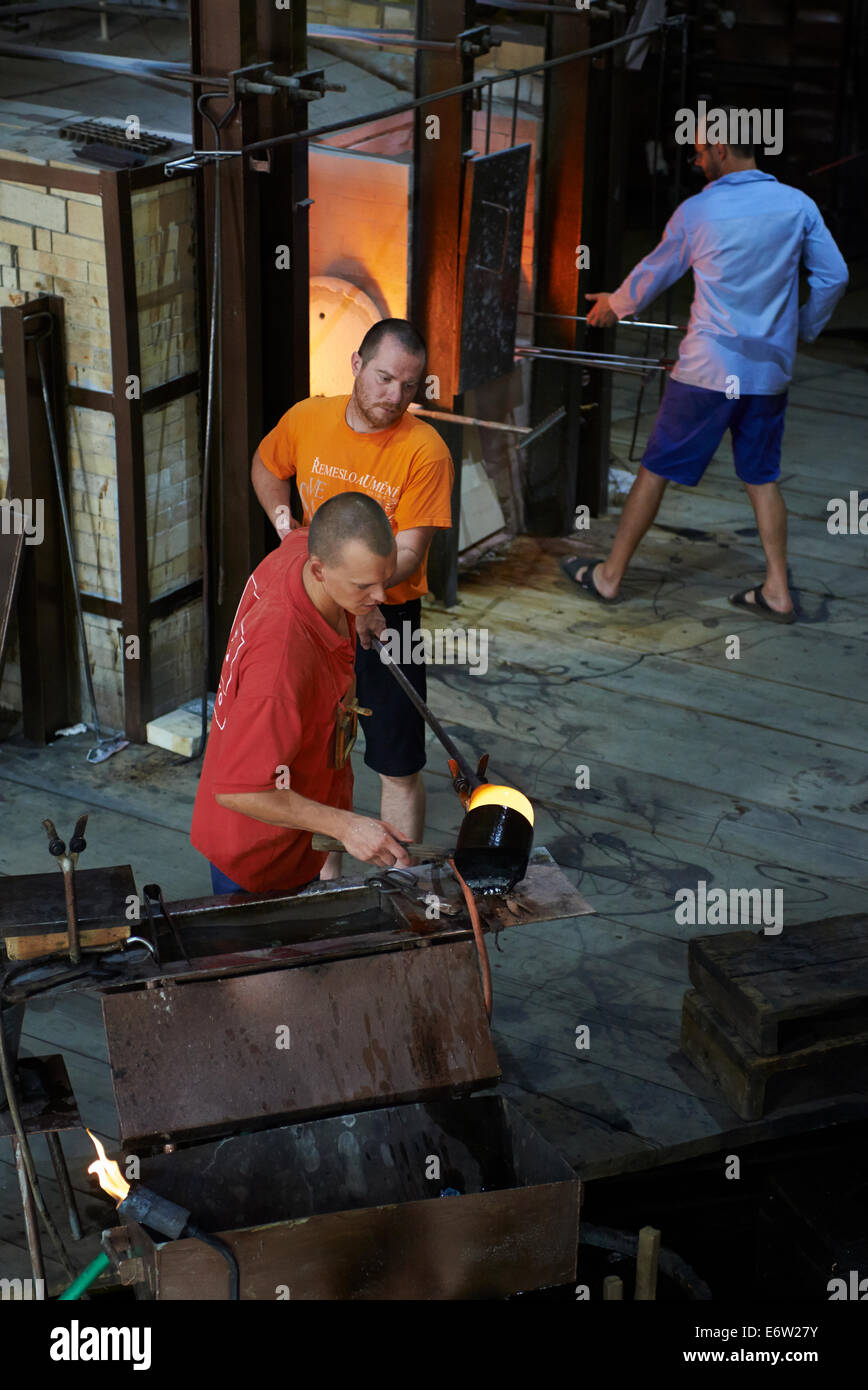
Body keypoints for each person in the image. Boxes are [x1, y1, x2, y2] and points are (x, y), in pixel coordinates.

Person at [566, 120, 849, 624]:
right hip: (768, 374)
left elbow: (657, 270)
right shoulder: (797, 205)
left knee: (655, 471)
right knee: (762, 476)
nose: (696, 162)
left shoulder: (700, 210)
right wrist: (804, 327)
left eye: (700, 153)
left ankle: (609, 577)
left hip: (707, 372)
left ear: (721, 149)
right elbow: (834, 275)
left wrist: (615, 305)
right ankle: (778, 590)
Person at [250, 318, 454, 861]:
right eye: (385, 379)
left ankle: (402, 888)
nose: (395, 397)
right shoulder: (309, 417)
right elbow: (267, 467)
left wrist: (363, 595)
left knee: (398, 762)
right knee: (313, 756)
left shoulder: (425, 451)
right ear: (357, 364)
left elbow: (409, 552)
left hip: (389, 616)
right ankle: (324, 886)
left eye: (410, 387)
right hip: (311, 614)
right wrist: (286, 529)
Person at [190, 493, 412, 895]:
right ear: (319, 570)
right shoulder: (280, 664)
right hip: (257, 853)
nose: (381, 596)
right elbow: (239, 790)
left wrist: (360, 607)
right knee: (261, 955)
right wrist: (348, 827)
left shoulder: (303, 548)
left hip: (300, 826)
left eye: (385, 579)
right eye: (364, 586)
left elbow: (315, 537)